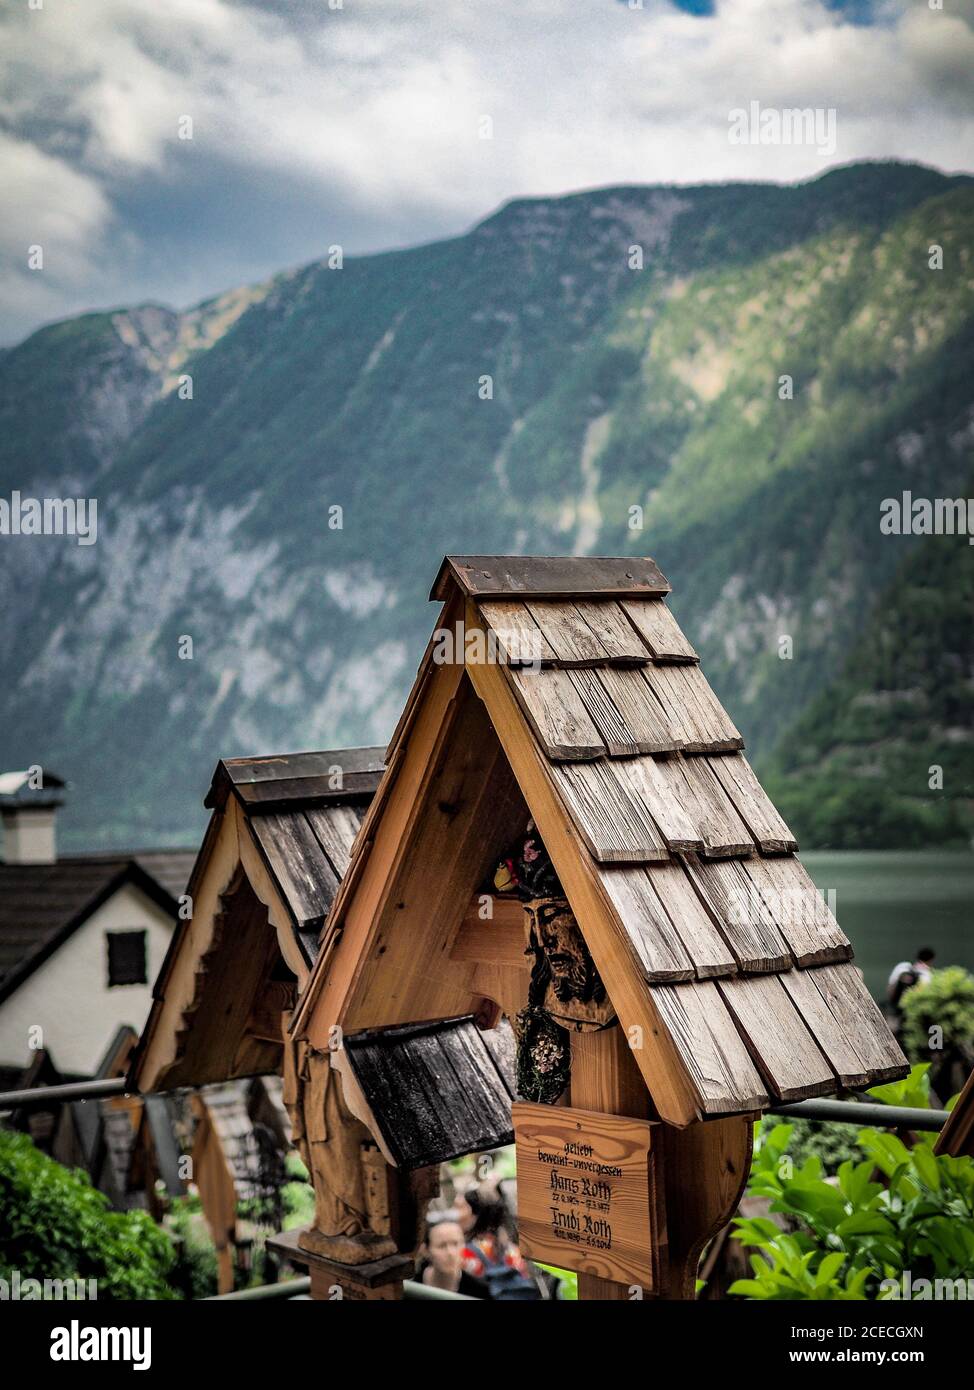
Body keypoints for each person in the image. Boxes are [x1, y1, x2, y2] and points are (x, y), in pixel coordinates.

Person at [456, 1184, 541, 1299]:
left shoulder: (465, 1252)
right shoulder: (510, 1248)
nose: (454, 1213)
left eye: (459, 1207)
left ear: (475, 1212)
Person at [417, 1213, 491, 1299]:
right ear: (426, 1250)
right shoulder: (409, 1286)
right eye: (442, 1246)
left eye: (456, 1244)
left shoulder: (479, 1291)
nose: (450, 1253)